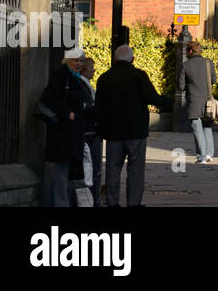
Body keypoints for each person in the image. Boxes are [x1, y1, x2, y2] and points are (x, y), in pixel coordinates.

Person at [95, 45, 167, 207]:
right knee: (135, 170)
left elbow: (98, 105)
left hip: (113, 131)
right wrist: (170, 101)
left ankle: (112, 202)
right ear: (133, 60)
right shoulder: (139, 75)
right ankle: (133, 203)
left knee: (113, 169)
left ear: (114, 59)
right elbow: (152, 98)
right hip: (136, 131)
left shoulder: (105, 77)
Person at [38, 46, 90, 206]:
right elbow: (49, 98)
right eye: (76, 60)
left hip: (73, 133)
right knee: (61, 171)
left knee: (67, 171)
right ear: (68, 59)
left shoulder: (75, 78)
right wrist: (68, 113)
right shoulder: (61, 75)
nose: (79, 64)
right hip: (63, 133)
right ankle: (61, 203)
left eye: (82, 61)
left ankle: (64, 202)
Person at [178, 41, 217, 163]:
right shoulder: (208, 63)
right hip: (207, 100)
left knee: (196, 127)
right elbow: (214, 80)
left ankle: (202, 156)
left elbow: (180, 86)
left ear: (190, 51)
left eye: (186, 51)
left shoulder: (185, 65)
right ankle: (210, 154)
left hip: (194, 100)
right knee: (207, 126)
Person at [79, 57, 102, 206]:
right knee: (89, 168)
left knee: (91, 168)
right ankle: (91, 200)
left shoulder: (85, 84)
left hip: (90, 131)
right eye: (91, 67)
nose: (94, 70)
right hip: (88, 132)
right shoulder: (82, 85)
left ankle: (93, 199)